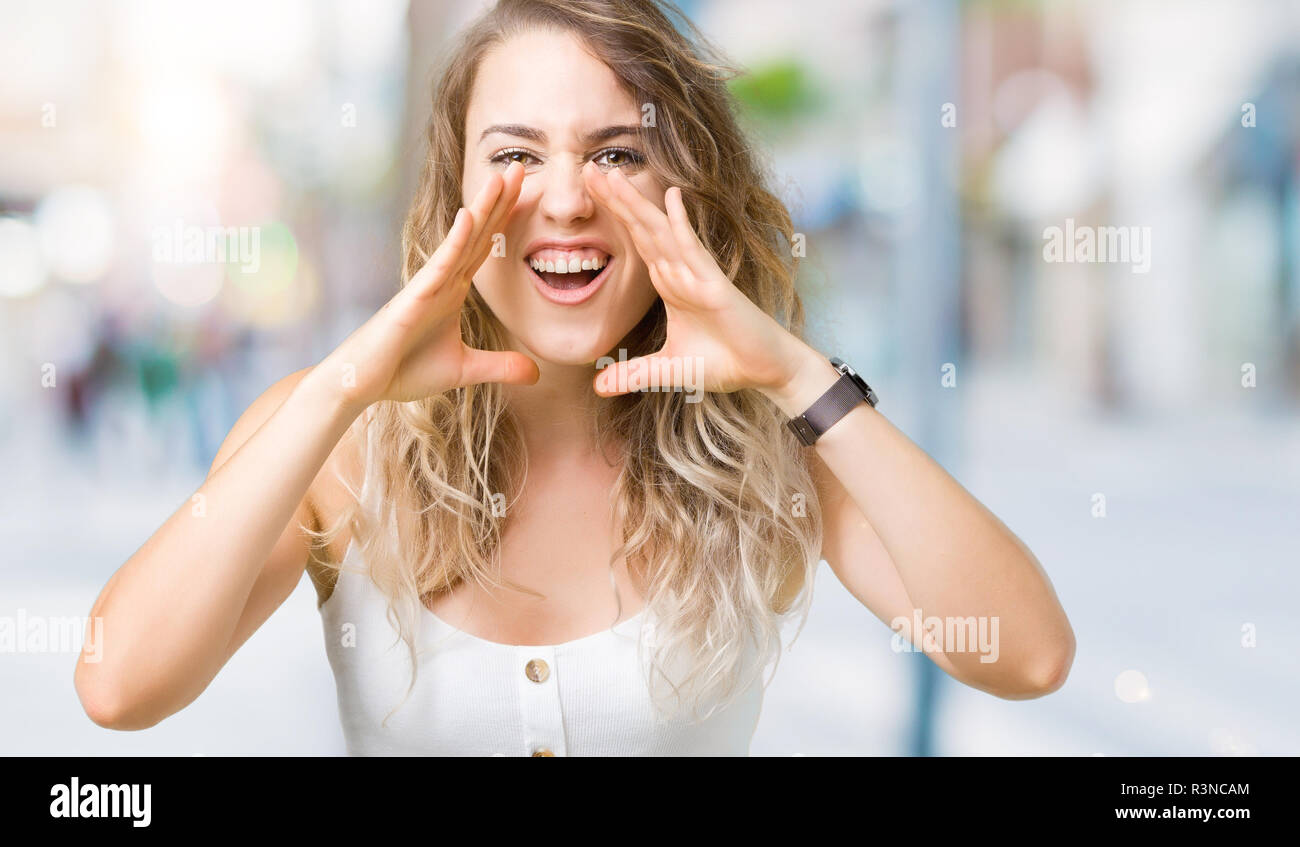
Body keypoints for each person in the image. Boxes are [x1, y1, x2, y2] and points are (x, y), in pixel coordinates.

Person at [74, 0, 1074, 756]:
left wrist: (792, 371)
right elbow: (120, 685)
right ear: (454, 189)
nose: (563, 200)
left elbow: (1025, 654)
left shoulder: (769, 448)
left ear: (681, 187)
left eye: (616, 153)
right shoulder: (340, 441)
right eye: (514, 155)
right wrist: (340, 385)